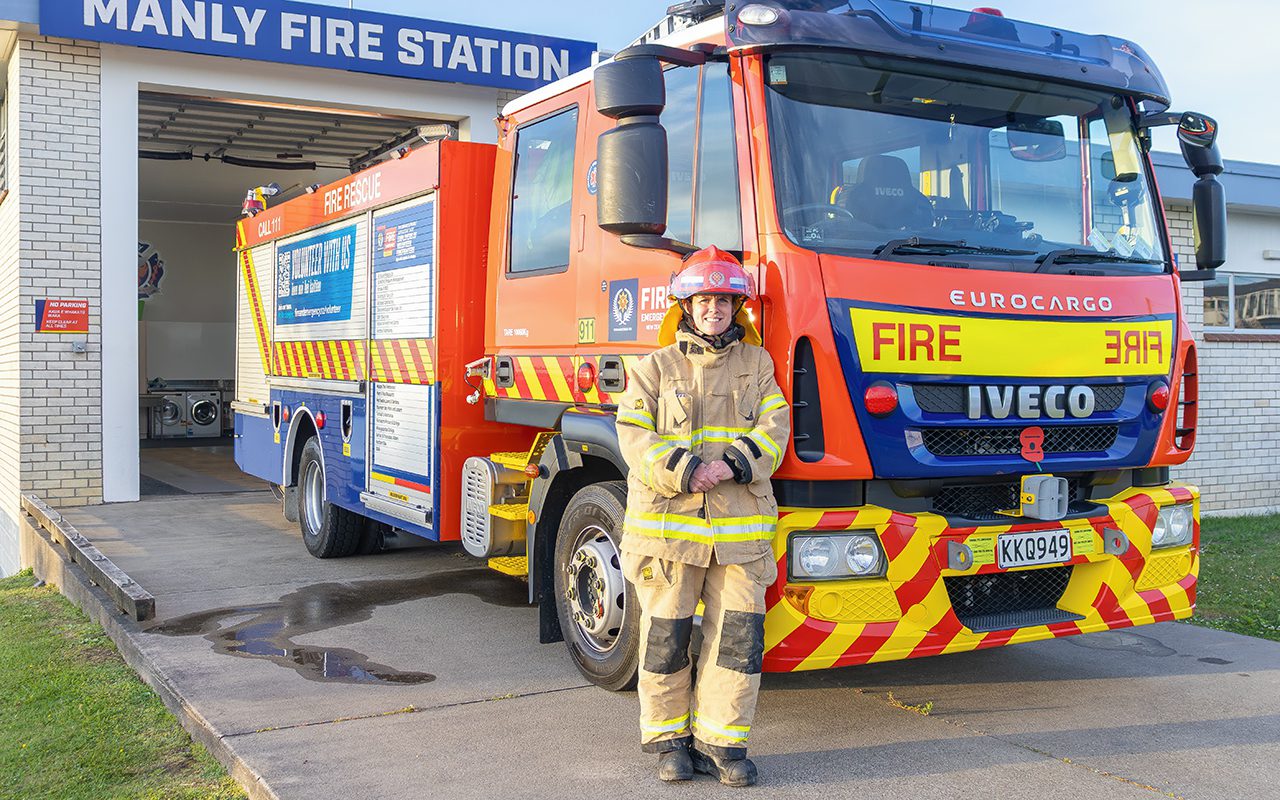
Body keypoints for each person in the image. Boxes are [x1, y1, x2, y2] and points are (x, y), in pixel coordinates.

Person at [615, 246, 790, 787]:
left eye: (723, 300)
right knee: (665, 638)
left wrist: (734, 463)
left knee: (737, 641)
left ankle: (722, 745)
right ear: (685, 305)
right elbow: (634, 435)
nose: (714, 308)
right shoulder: (654, 367)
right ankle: (669, 743)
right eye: (704, 299)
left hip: (738, 535)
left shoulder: (757, 365)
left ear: (737, 307)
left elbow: (776, 424)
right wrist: (688, 470)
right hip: (669, 536)